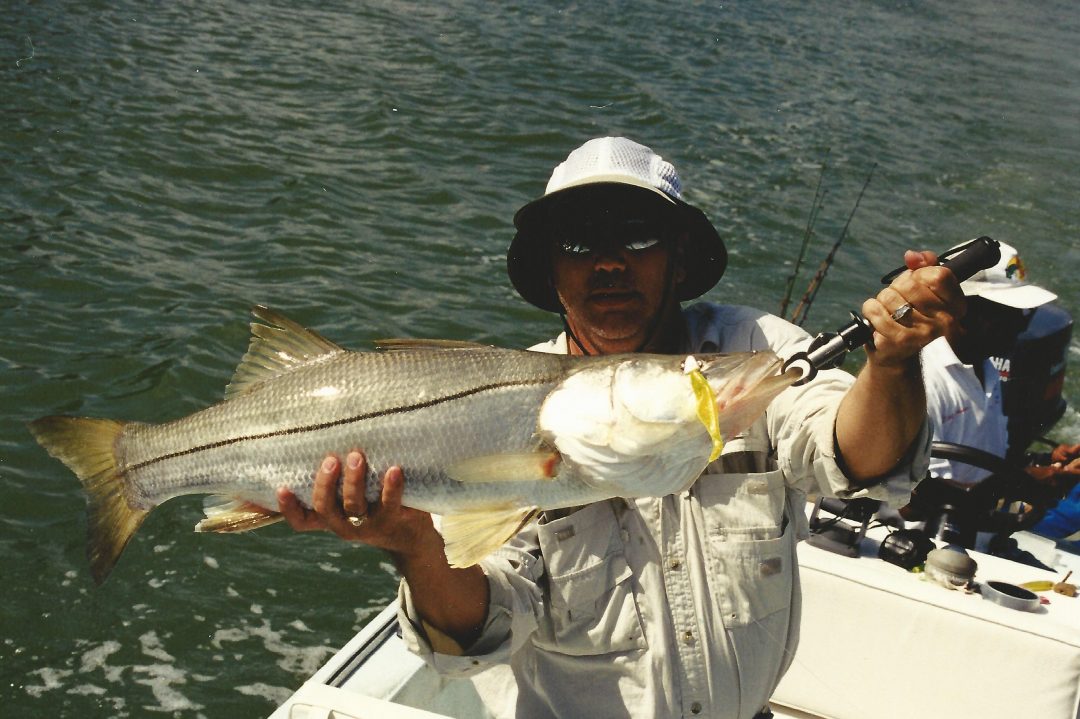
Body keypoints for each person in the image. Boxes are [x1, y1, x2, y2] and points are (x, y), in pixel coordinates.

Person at [276, 137, 963, 719]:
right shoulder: (515, 411)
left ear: (680, 259)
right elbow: (481, 629)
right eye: (579, 241)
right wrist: (414, 545)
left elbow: (855, 457)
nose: (609, 261)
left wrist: (892, 362)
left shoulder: (749, 352)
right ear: (552, 269)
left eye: (638, 236)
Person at [919, 242, 1080, 499]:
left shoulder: (988, 368)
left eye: (1025, 315)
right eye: (1009, 314)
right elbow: (911, 496)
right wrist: (1022, 485)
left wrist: (1045, 461)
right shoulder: (921, 379)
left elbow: (981, 463)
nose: (1020, 326)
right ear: (960, 307)